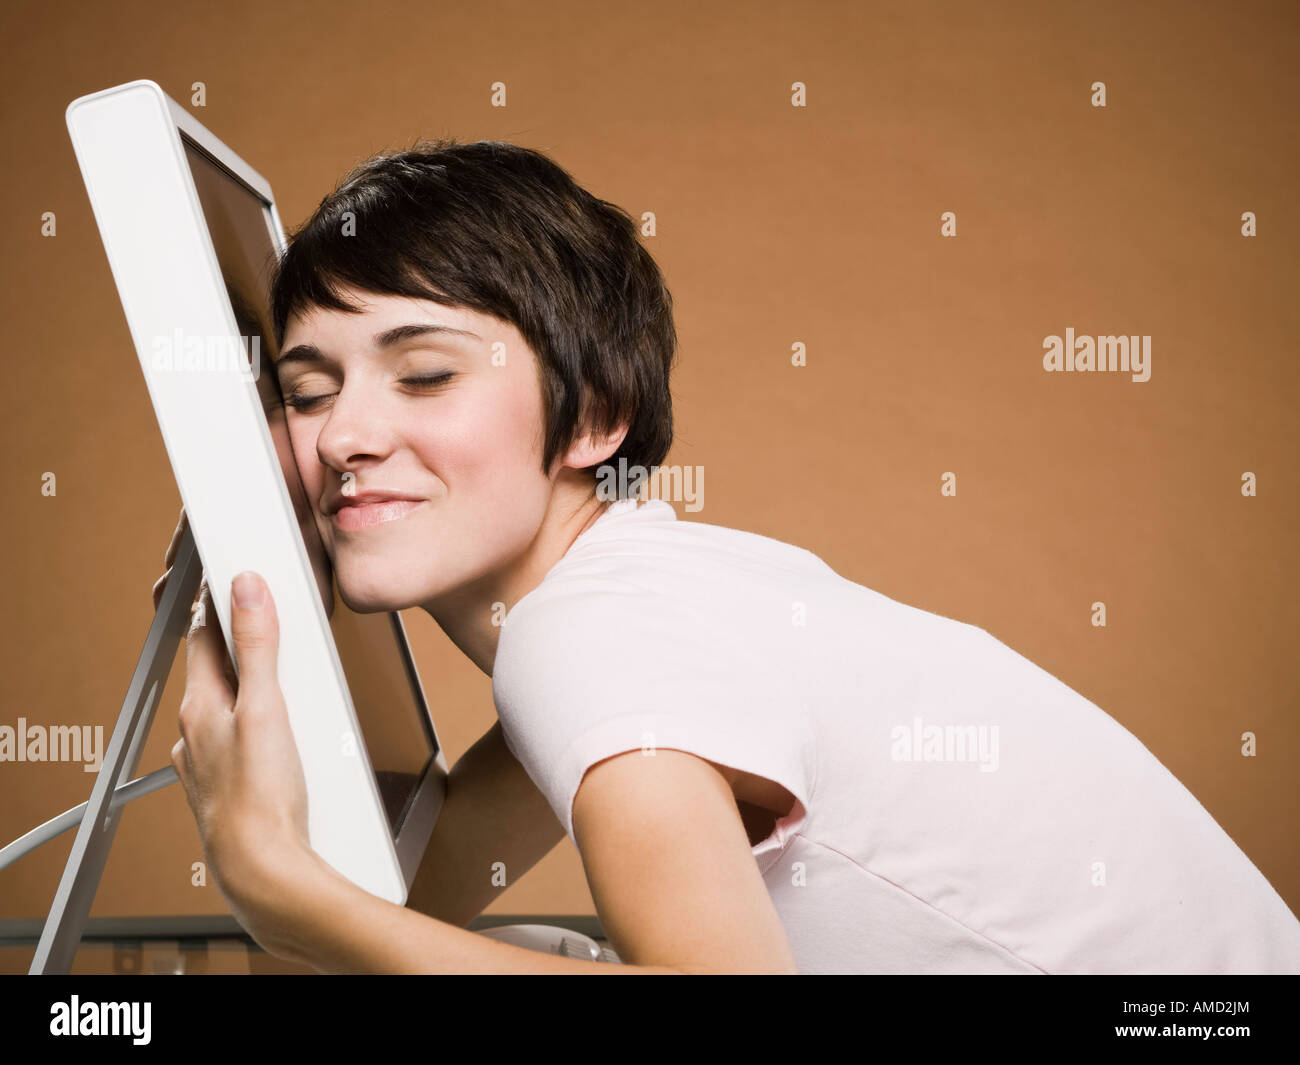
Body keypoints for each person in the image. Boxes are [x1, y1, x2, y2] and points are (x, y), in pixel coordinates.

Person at [159, 140, 1300, 975]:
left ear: (595, 414)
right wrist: (264, 546)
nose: (347, 437)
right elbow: (421, 897)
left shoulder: (596, 641)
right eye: (308, 395)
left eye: (424, 375)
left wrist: (284, 888)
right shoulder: (642, 597)